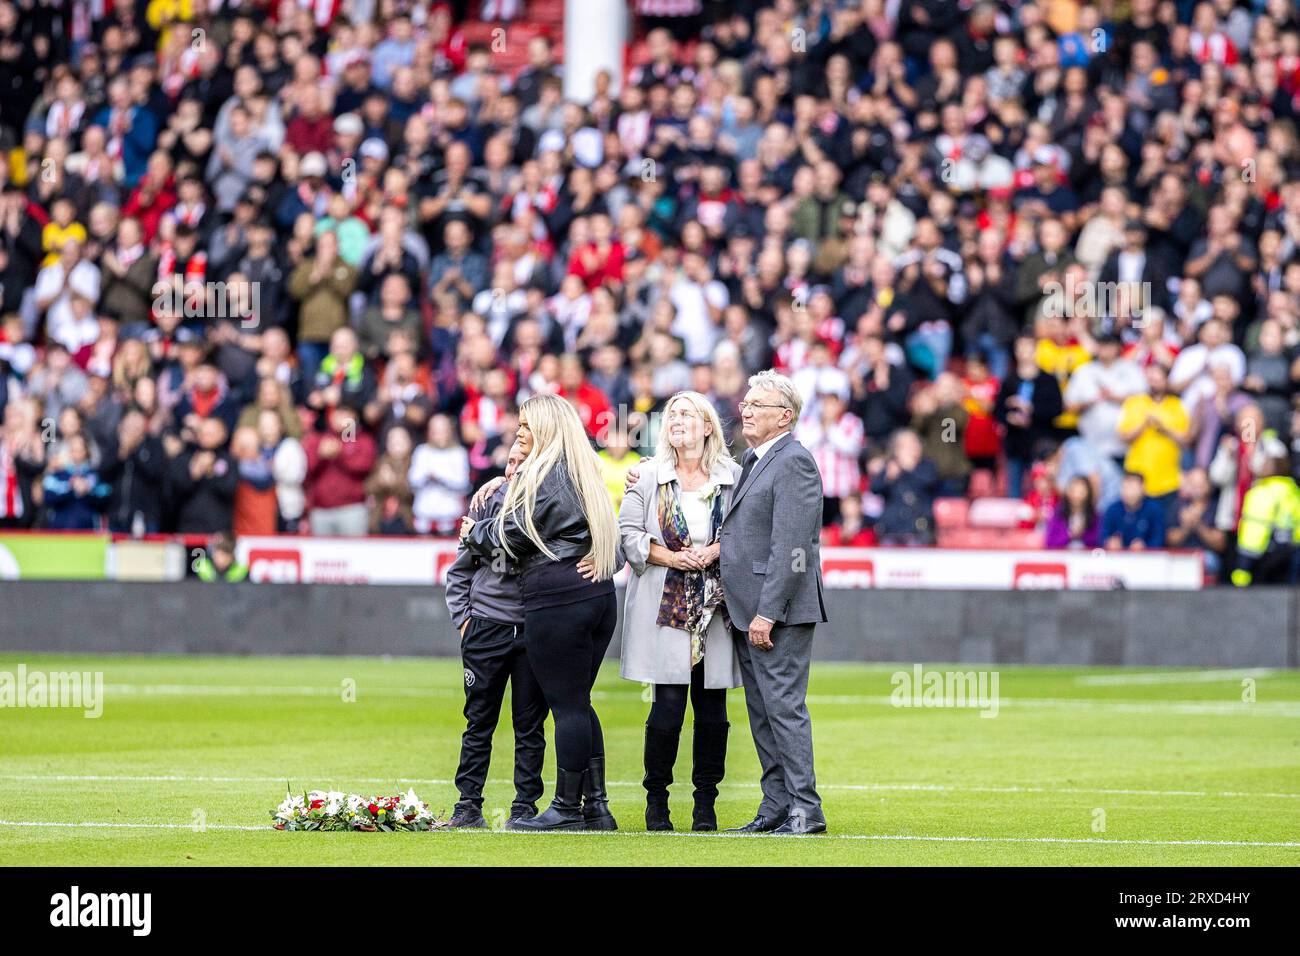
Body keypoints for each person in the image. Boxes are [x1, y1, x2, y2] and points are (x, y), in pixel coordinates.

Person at [460, 393, 620, 832]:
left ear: (546, 428)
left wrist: (475, 531)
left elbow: (509, 538)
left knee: (566, 706)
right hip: (597, 597)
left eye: (525, 427)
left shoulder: (547, 477)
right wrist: (502, 481)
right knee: (579, 704)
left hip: (558, 599)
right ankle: (597, 807)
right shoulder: (582, 470)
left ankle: (567, 809)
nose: (519, 434)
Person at [618, 391, 742, 832]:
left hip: (716, 607)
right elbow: (627, 534)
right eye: (672, 414)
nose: (677, 419)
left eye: (687, 413)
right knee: (667, 708)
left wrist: (713, 551)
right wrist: (673, 558)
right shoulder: (648, 475)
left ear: (708, 426)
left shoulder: (733, 476)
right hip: (664, 604)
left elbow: (748, 531)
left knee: (713, 710)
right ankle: (657, 801)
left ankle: (705, 803)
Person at [721, 369, 828, 835]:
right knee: (764, 714)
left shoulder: (793, 461)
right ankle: (776, 807)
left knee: (783, 710)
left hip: (774, 613)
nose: (745, 410)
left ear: (785, 417)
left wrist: (768, 611)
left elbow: (794, 546)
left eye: (757, 405)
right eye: (745, 403)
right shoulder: (756, 459)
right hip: (750, 611)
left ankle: (806, 810)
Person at [442, 441, 548, 830]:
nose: (512, 469)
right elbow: (459, 570)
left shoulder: (548, 506)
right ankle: (468, 804)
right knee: (478, 722)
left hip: (533, 629)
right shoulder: (486, 501)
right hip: (486, 627)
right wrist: (466, 621)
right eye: (510, 461)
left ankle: (525, 808)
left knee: (529, 725)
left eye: (522, 462)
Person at [1230, 435, 1300, 587]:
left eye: (1266, 463)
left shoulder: (1262, 491)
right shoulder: (1293, 490)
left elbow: (1254, 529)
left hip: (1264, 556)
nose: (1261, 465)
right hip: (1291, 553)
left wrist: (1243, 568)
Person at [1101, 472, 1167, 551]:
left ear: (1143, 488)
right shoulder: (1112, 509)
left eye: (1132, 488)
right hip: (1116, 558)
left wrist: (1146, 546)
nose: (1128, 493)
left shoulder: (1154, 509)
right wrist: (1109, 542)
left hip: (1146, 559)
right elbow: (1102, 537)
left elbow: (1159, 539)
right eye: (1124, 487)